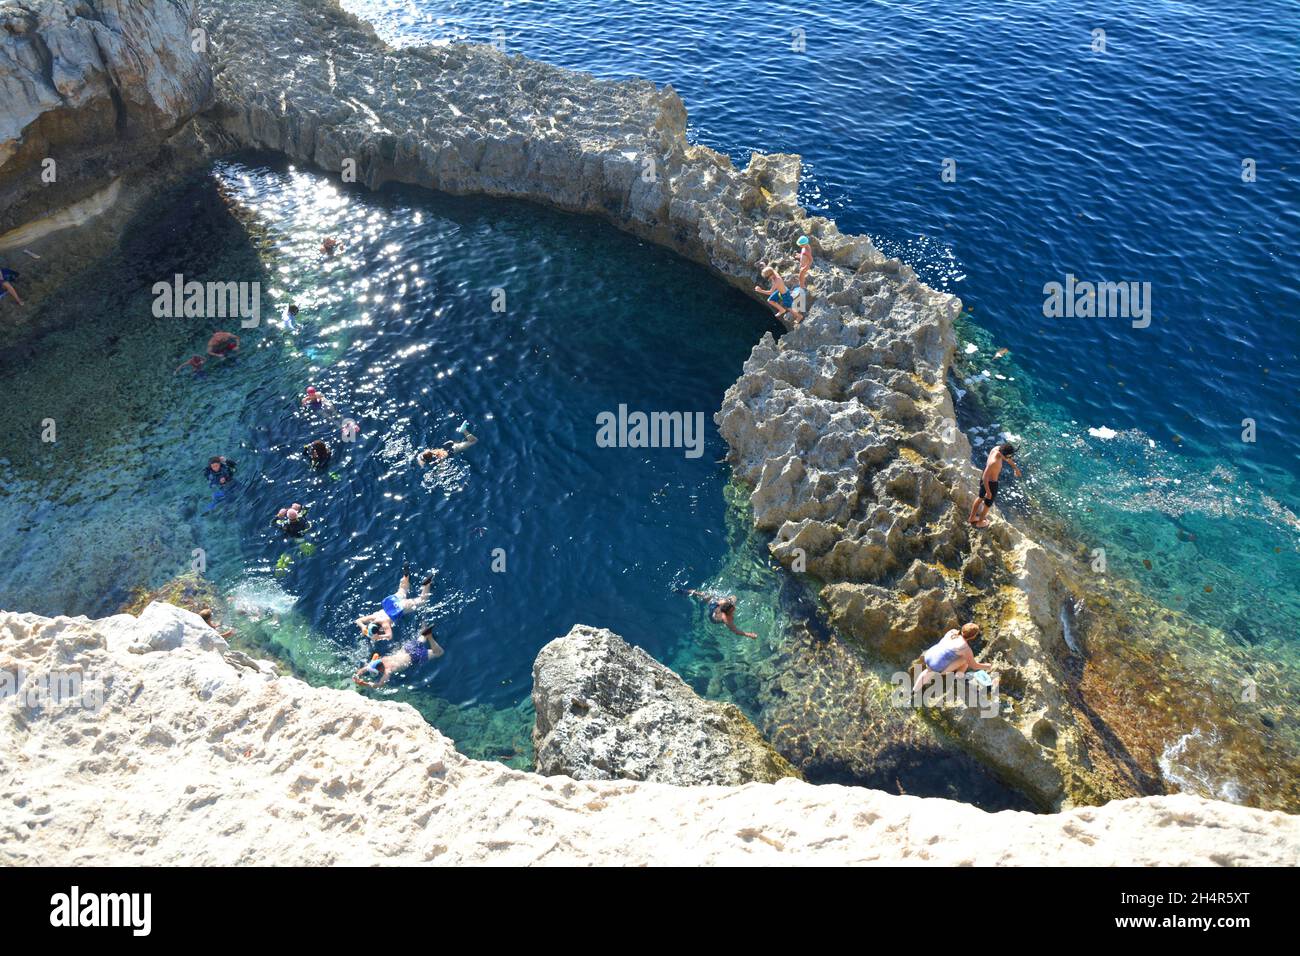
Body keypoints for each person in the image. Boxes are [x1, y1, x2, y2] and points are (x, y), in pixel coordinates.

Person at [353, 624, 444, 688]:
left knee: (439, 653)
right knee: (422, 637)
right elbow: (366, 668)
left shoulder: (387, 672)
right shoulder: (380, 659)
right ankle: (425, 629)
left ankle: (430, 637)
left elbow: (378, 685)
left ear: (379, 670)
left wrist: (364, 684)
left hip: (414, 656)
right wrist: (357, 675)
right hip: (408, 647)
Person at [354, 572, 434, 642]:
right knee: (402, 590)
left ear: (379, 629)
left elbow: (389, 636)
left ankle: (426, 584)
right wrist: (363, 627)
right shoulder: (373, 617)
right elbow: (358, 621)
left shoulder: (384, 624)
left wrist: (379, 637)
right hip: (391, 602)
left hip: (399, 608)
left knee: (422, 601)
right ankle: (406, 576)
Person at [912, 623, 991, 692]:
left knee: (928, 670)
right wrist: (988, 666)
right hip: (936, 666)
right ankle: (958, 677)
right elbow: (974, 665)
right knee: (965, 660)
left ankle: (913, 692)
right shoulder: (965, 648)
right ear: (973, 637)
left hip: (929, 655)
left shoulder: (952, 632)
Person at [968, 442, 1022, 528]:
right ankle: (980, 522)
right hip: (991, 483)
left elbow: (1007, 459)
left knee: (980, 498)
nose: (1010, 457)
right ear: (1004, 454)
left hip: (984, 480)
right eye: (1009, 456)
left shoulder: (997, 449)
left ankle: (972, 518)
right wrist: (989, 492)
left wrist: (1016, 469)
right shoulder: (994, 461)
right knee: (987, 504)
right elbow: (985, 477)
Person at [686, 589, 758, 639]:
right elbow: (736, 631)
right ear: (728, 613)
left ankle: (691, 592)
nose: (735, 608)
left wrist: (730, 600)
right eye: (733, 609)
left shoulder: (723, 602)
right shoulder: (727, 620)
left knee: (705, 595)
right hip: (713, 618)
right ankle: (693, 593)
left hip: (714, 606)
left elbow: (732, 598)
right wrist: (750, 635)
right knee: (709, 599)